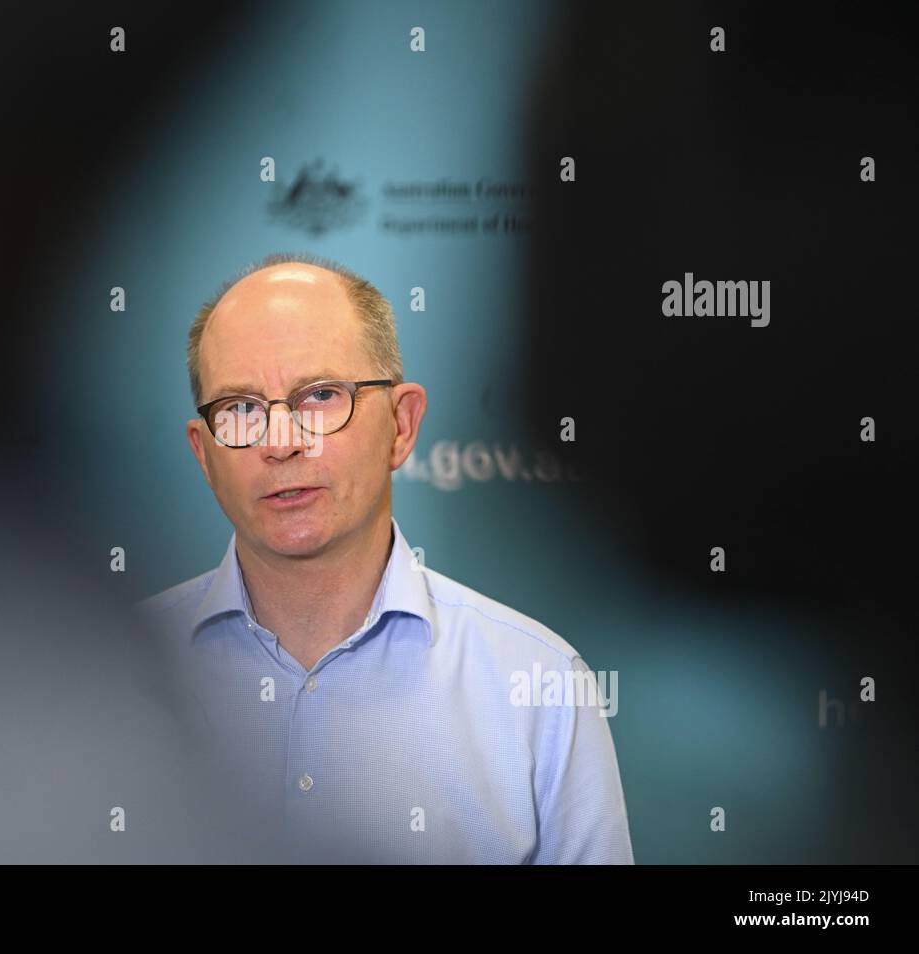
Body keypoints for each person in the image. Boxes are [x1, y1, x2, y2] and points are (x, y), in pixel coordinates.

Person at [136, 252, 634, 863]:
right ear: (203, 454)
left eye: (319, 395)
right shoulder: (110, 673)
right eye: (240, 408)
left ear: (402, 425)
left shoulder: (541, 687)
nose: (282, 442)